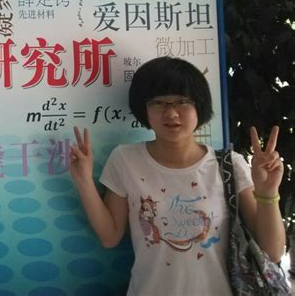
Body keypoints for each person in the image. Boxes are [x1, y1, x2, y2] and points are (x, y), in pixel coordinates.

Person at [70, 56, 285, 296]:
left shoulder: (228, 165)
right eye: (158, 103)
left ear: (199, 106)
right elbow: (109, 237)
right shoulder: (125, 160)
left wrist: (268, 193)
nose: (171, 113)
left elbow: (273, 252)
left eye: (182, 102)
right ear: (144, 109)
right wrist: (84, 180)